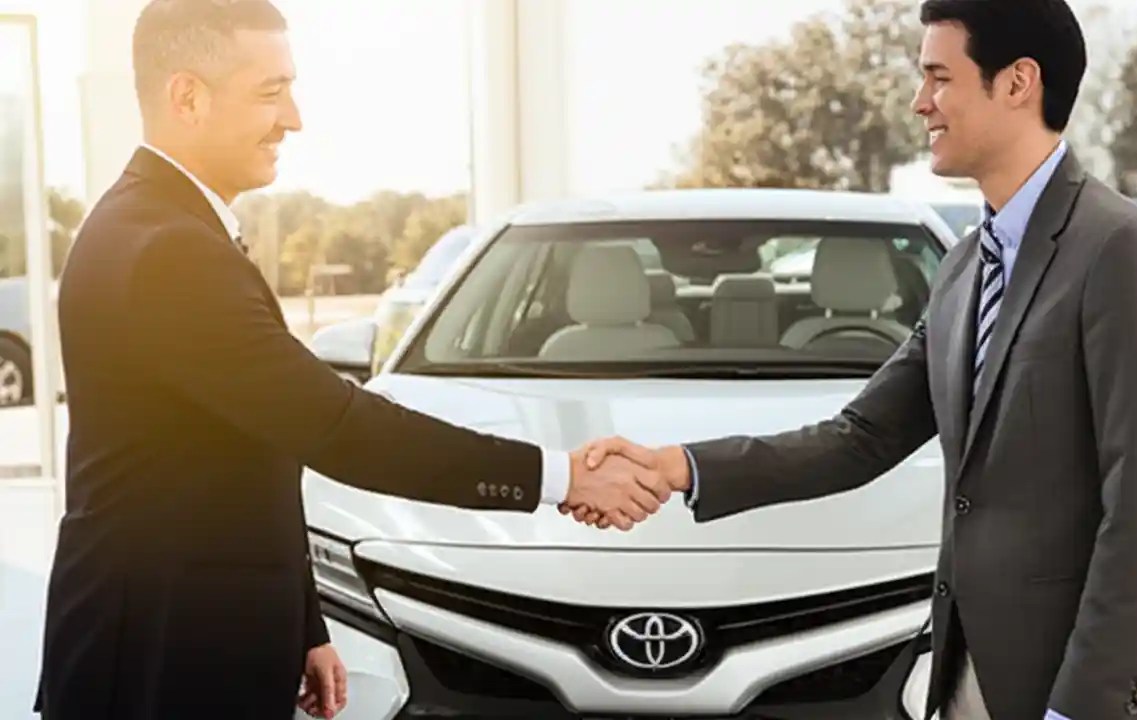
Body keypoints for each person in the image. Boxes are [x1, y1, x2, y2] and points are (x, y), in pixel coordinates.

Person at [568, 1, 1137, 718]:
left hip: (1079, 689)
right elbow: (858, 439)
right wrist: (675, 466)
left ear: (1018, 82)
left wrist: (1078, 708)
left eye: (939, 77)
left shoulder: (1123, 250)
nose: (919, 101)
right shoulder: (966, 266)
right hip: (972, 674)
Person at [34, 1, 666, 718]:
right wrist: (558, 476)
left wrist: (302, 624)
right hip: (158, 662)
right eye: (270, 92)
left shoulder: (165, 226)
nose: (293, 118)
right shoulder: (166, 250)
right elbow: (335, 427)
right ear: (187, 97)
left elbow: (246, 446)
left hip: (189, 641)